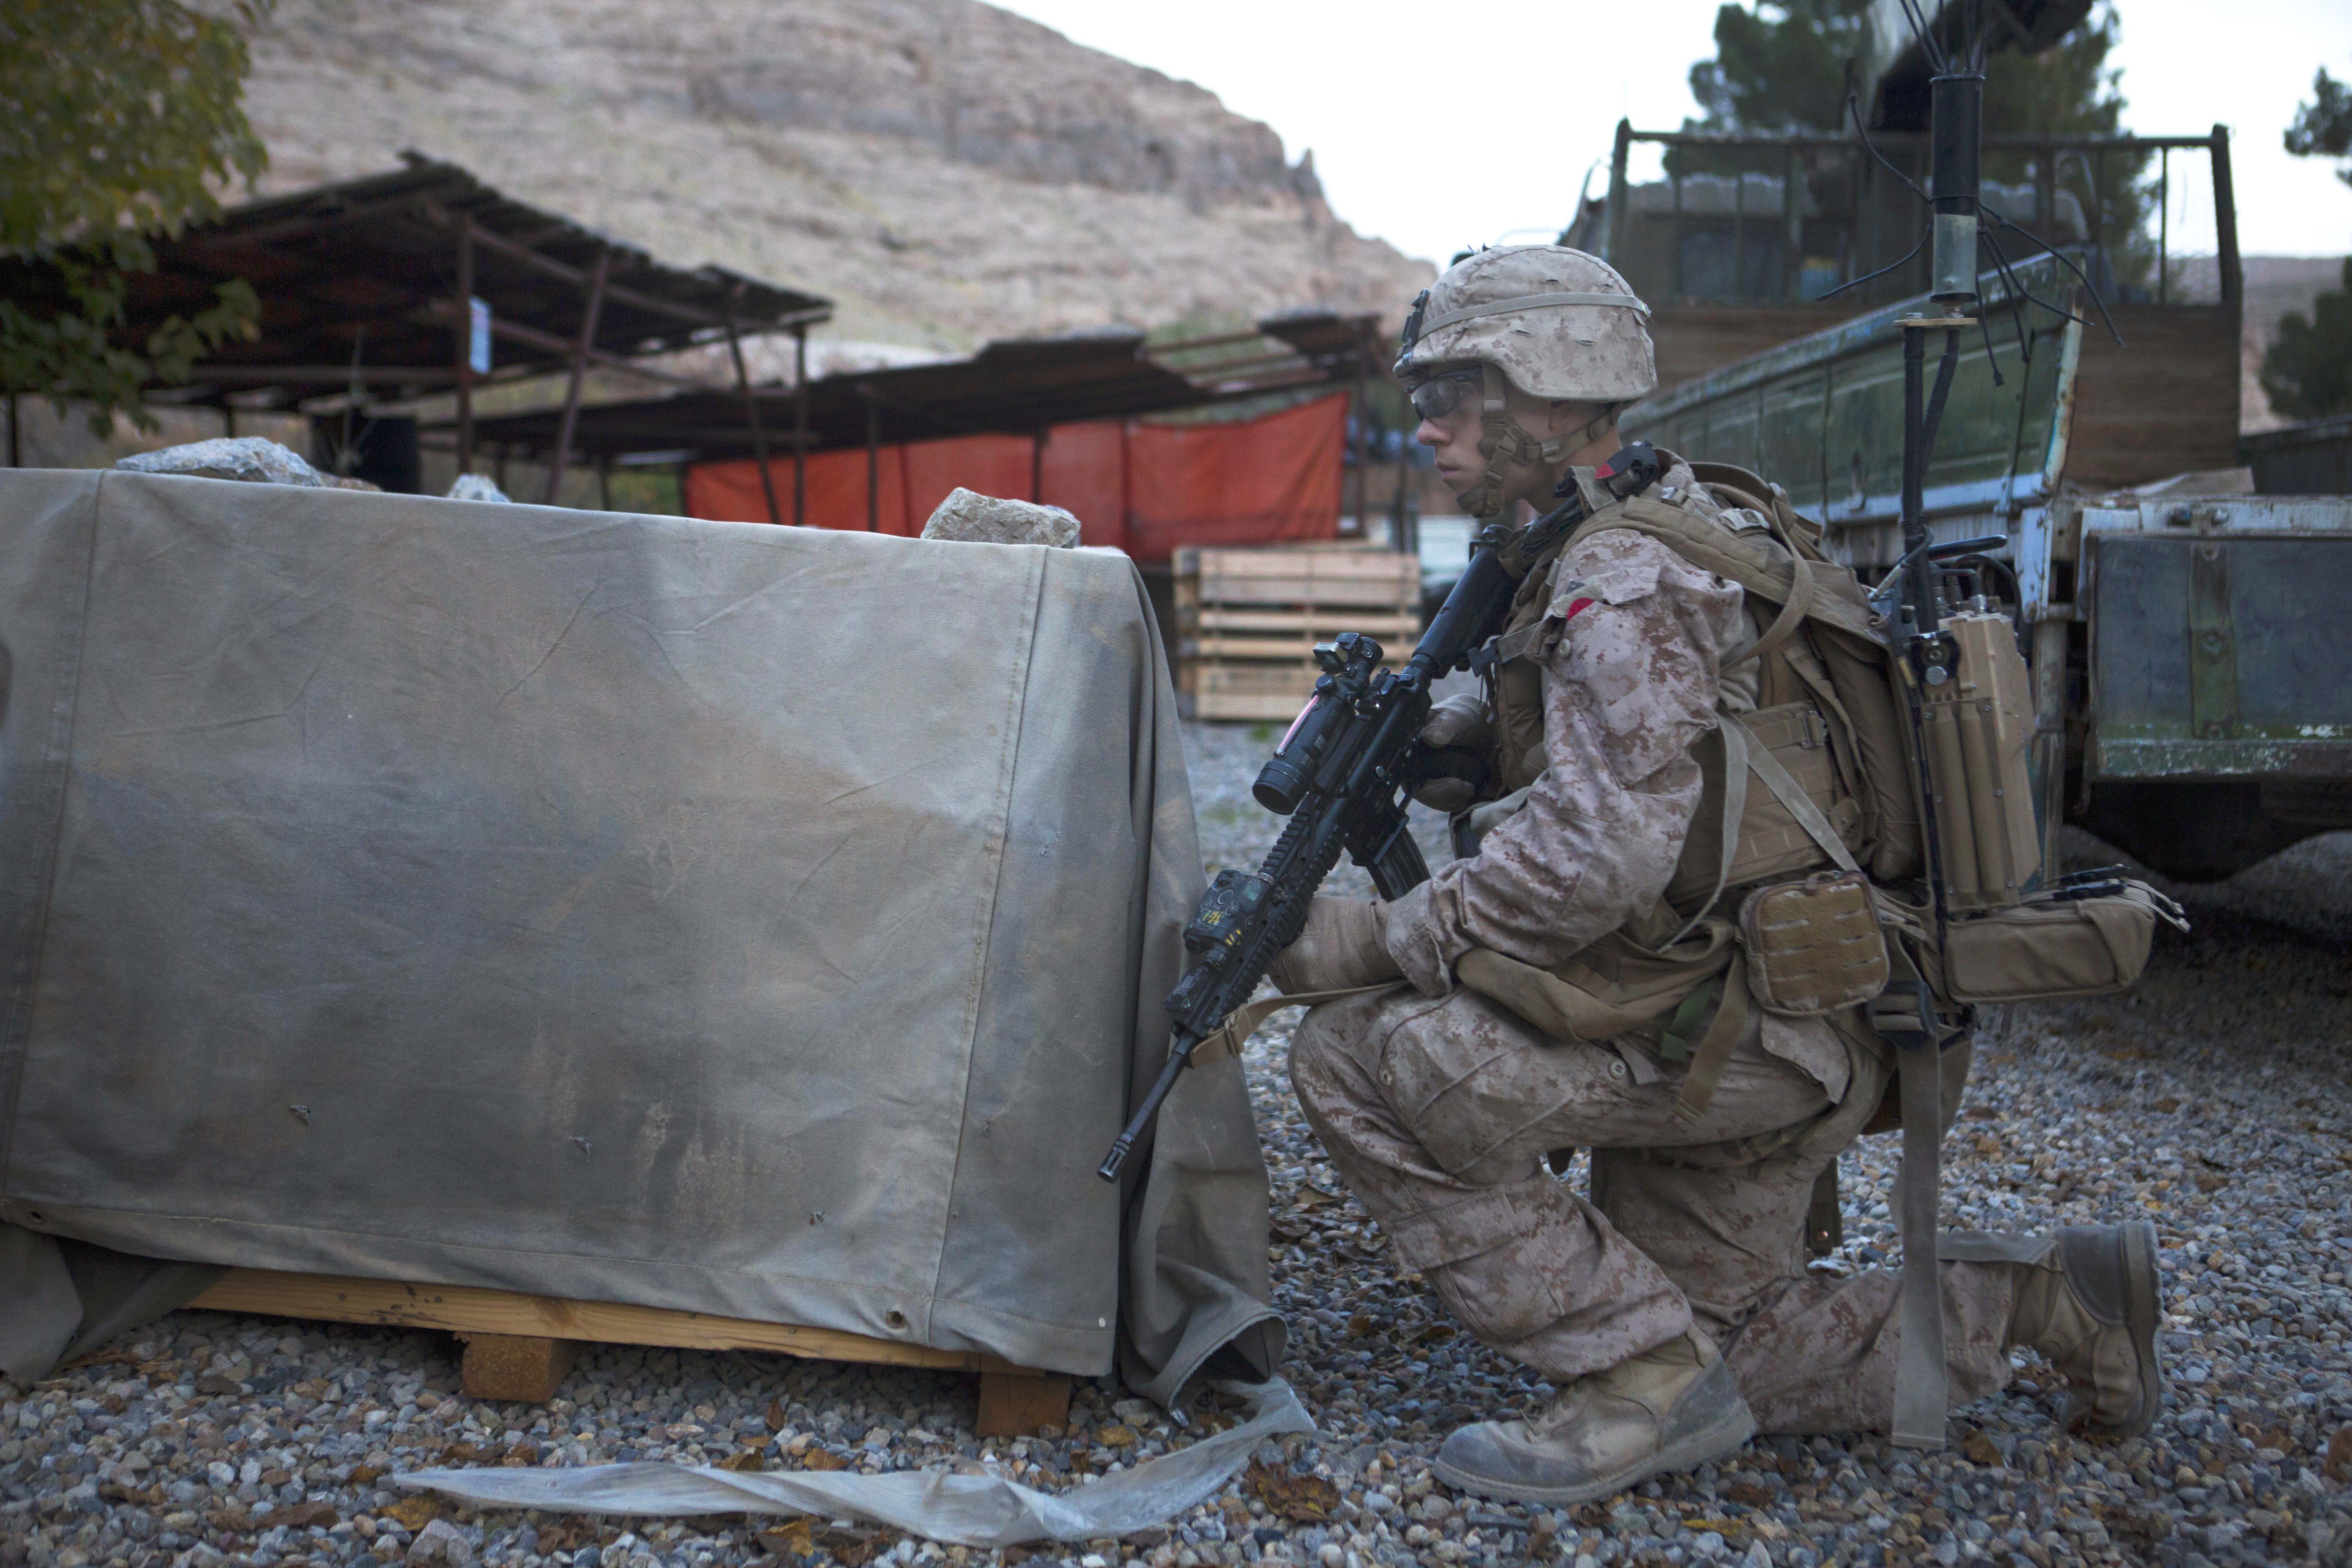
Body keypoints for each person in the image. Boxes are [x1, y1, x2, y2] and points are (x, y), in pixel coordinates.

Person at [1270, 244, 2163, 1505]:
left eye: (1456, 396)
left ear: (1551, 390)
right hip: (1790, 998)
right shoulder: (1660, 514)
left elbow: (1596, 856)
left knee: (1358, 1058)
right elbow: (1685, 757)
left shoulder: (1622, 571)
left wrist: (1372, 938)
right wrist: (1471, 742)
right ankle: (2053, 1301)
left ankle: (1637, 1378)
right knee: (1731, 1351)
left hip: (1741, 1022)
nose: (1426, 428)